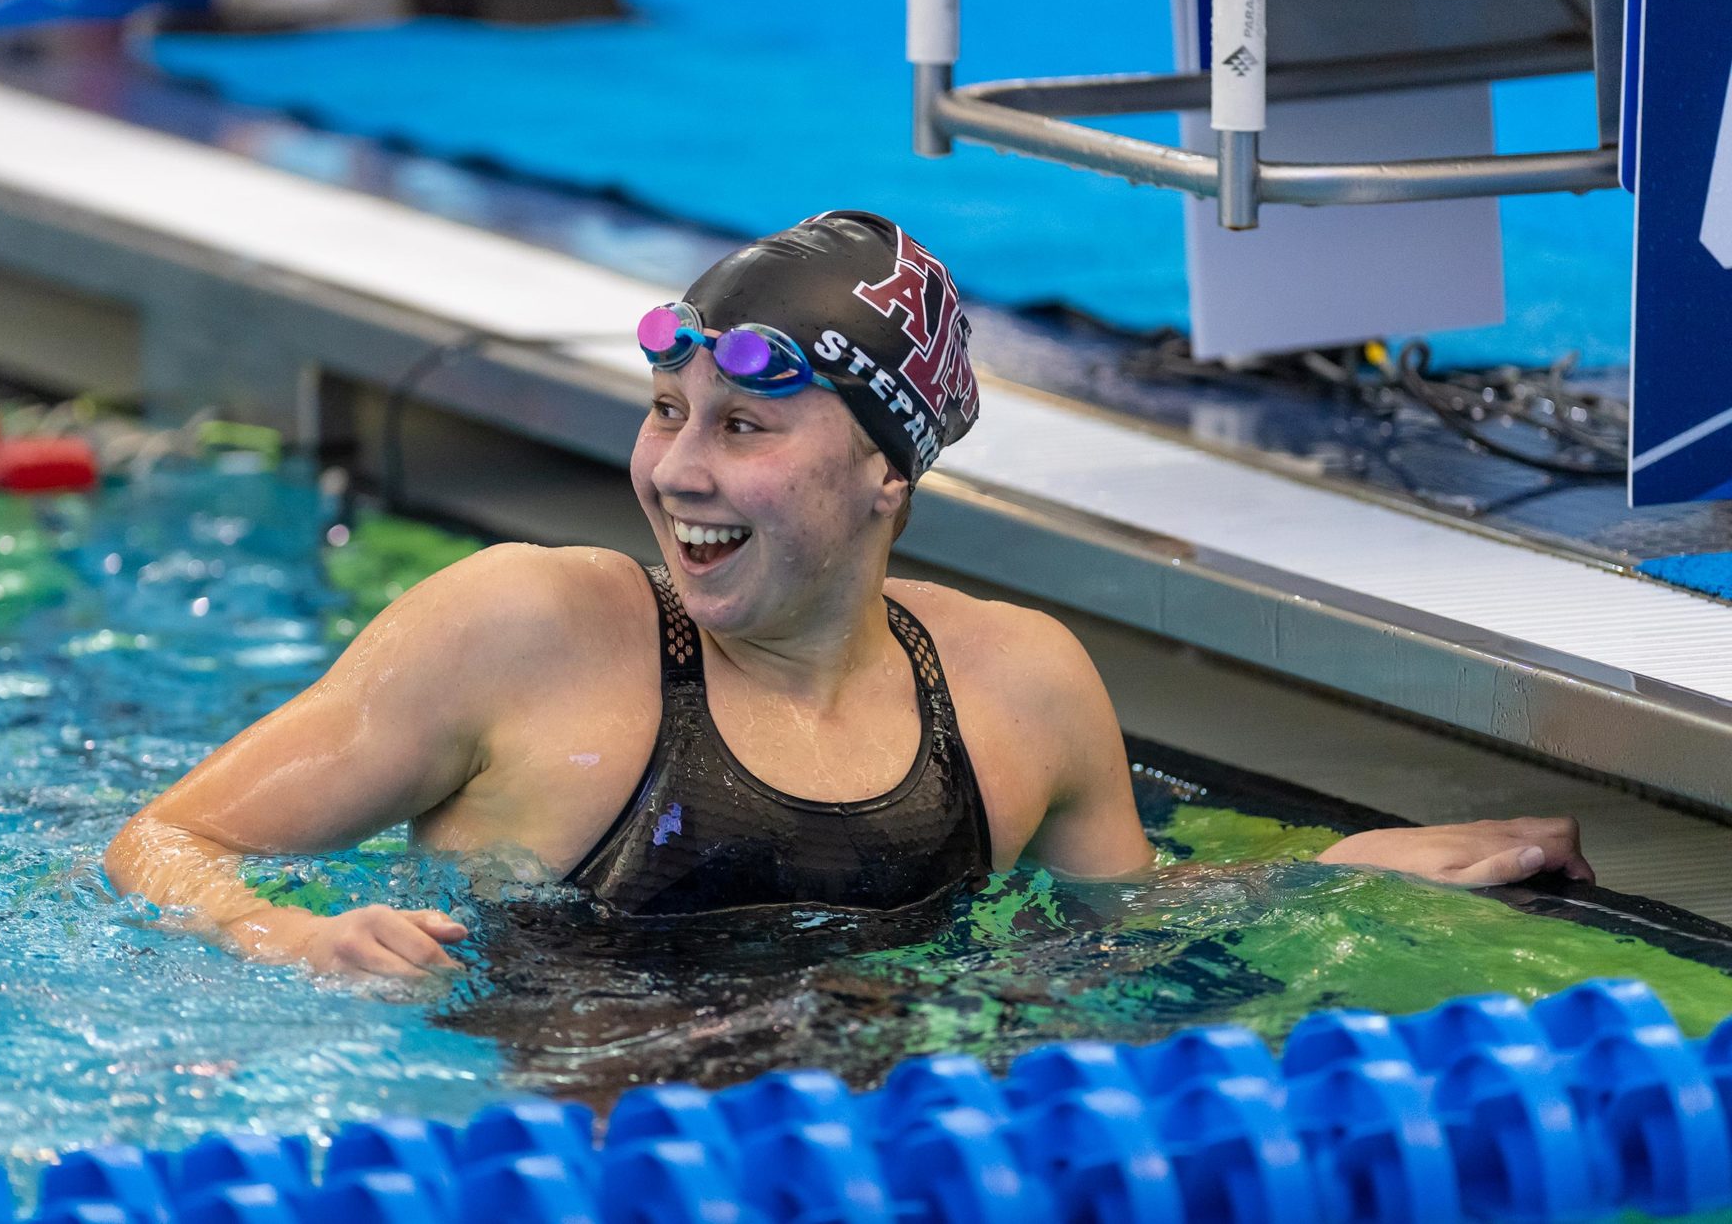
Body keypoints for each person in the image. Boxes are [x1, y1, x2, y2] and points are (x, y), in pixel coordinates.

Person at [104, 210, 1593, 978]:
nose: (678, 470)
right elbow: (166, 838)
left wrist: (1340, 874)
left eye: (744, 428)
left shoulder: (1017, 689)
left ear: (890, 473)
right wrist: (289, 934)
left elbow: (1122, 927)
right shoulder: (526, 631)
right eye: (665, 411)